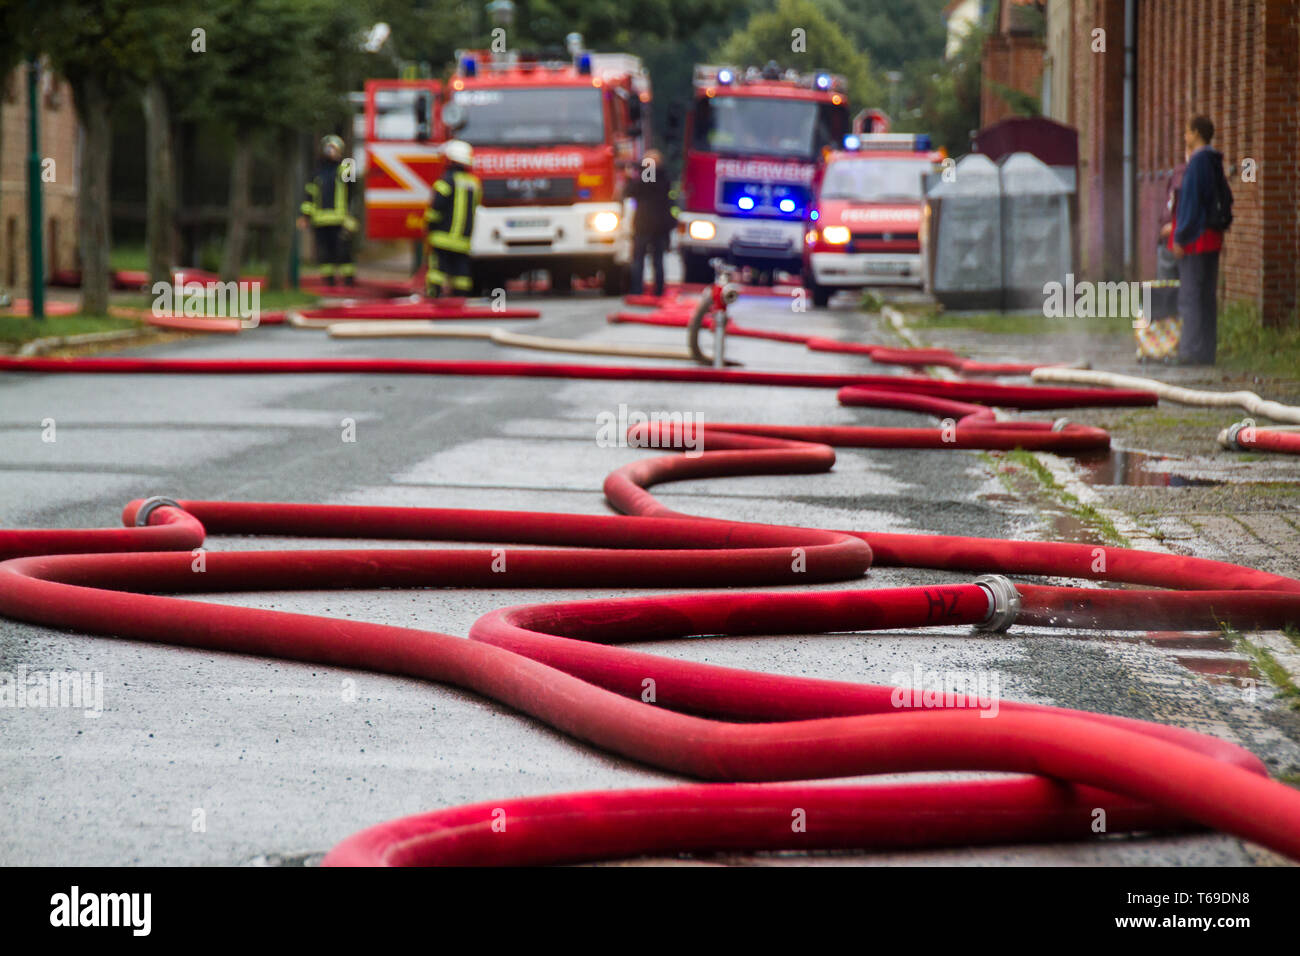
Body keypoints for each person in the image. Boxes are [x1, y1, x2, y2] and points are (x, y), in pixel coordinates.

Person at [1170, 115, 1230, 365]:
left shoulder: (1196, 164)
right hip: (1213, 239)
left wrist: (1180, 237)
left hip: (1195, 240)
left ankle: (1190, 352)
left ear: (1196, 133)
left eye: (1187, 131)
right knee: (1207, 296)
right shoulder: (1216, 161)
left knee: (1191, 296)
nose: (1184, 137)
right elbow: (1226, 197)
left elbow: (1190, 203)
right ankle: (1206, 352)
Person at [424, 139, 480, 297]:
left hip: (442, 237)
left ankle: (434, 296)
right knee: (461, 273)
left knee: (437, 271)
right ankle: (460, 298)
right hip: (463, 240)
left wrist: (429, 225)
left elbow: (436, 208)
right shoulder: (474, 183)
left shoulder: (445, 181)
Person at [299, 134, 358, 286]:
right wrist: (305, 216)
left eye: (334, 148)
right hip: (320, 220)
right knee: (324, 252)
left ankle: (349, 280)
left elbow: (353, 191)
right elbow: (309, 197)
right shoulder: (317, 173)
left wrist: (351, 216)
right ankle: (328, 281)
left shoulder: (344, 168)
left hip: (340, 219)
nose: (330, 151)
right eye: (328, 148)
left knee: (343, 251)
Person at [625, 150, 675, 297]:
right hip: (659, 226)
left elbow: (632, 191)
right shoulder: (664, 177)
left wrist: (630, 178)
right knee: (657, 260)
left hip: (644, 225)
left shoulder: (648, 176)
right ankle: (659, 291)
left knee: (639, 259)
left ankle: (637, 290)